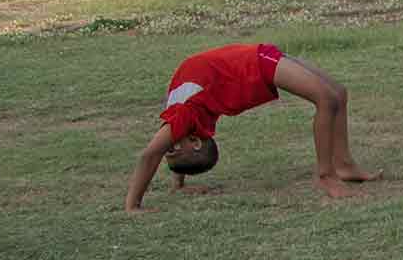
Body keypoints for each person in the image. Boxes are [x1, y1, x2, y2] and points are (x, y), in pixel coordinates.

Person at [124, 43, 375, 208]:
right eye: (173, 152)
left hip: (251, 63)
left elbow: (150, 154)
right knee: (333, 95)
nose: (168, 148)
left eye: (170, 151)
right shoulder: (189, 120)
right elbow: (171, 144)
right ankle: (333, 171)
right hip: (250, 61)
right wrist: (180, 184)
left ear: (194, 140)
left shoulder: (183, 116)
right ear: (195, 140)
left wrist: (133, 205)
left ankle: (334, 171)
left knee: (331, 96)